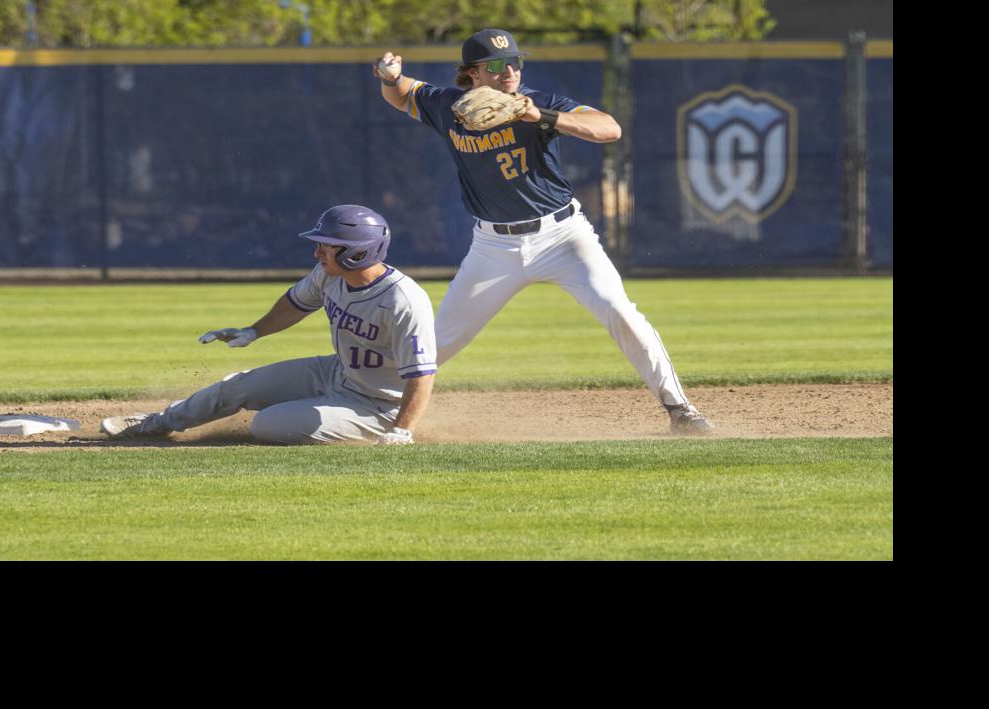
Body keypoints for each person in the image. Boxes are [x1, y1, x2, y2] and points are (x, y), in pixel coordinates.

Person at [373, 28, 715, 436]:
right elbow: (401, 94)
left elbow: (609, 128)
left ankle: (681, 409)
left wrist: (543, 118)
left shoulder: (540, 103)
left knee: (619, 310)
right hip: (493, 246)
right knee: (438, 342)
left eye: (515, 62)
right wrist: (389, 76)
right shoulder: (448, 105)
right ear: (472, 74)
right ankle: (363, 402)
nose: (509, 72)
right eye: (496, 66)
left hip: (563, 237)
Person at [101, 205, 437, 446]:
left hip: (377, 403)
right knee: (236, 387)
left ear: (356, 253)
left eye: (326, 245)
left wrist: (402, 430)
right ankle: (156, 423)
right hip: (338, 372)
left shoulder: (403, 301)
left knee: (267, 425)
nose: (317, 253)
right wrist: (253, 331)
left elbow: (421, 375)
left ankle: (369, 428)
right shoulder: (329, 276)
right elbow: (295, 304)